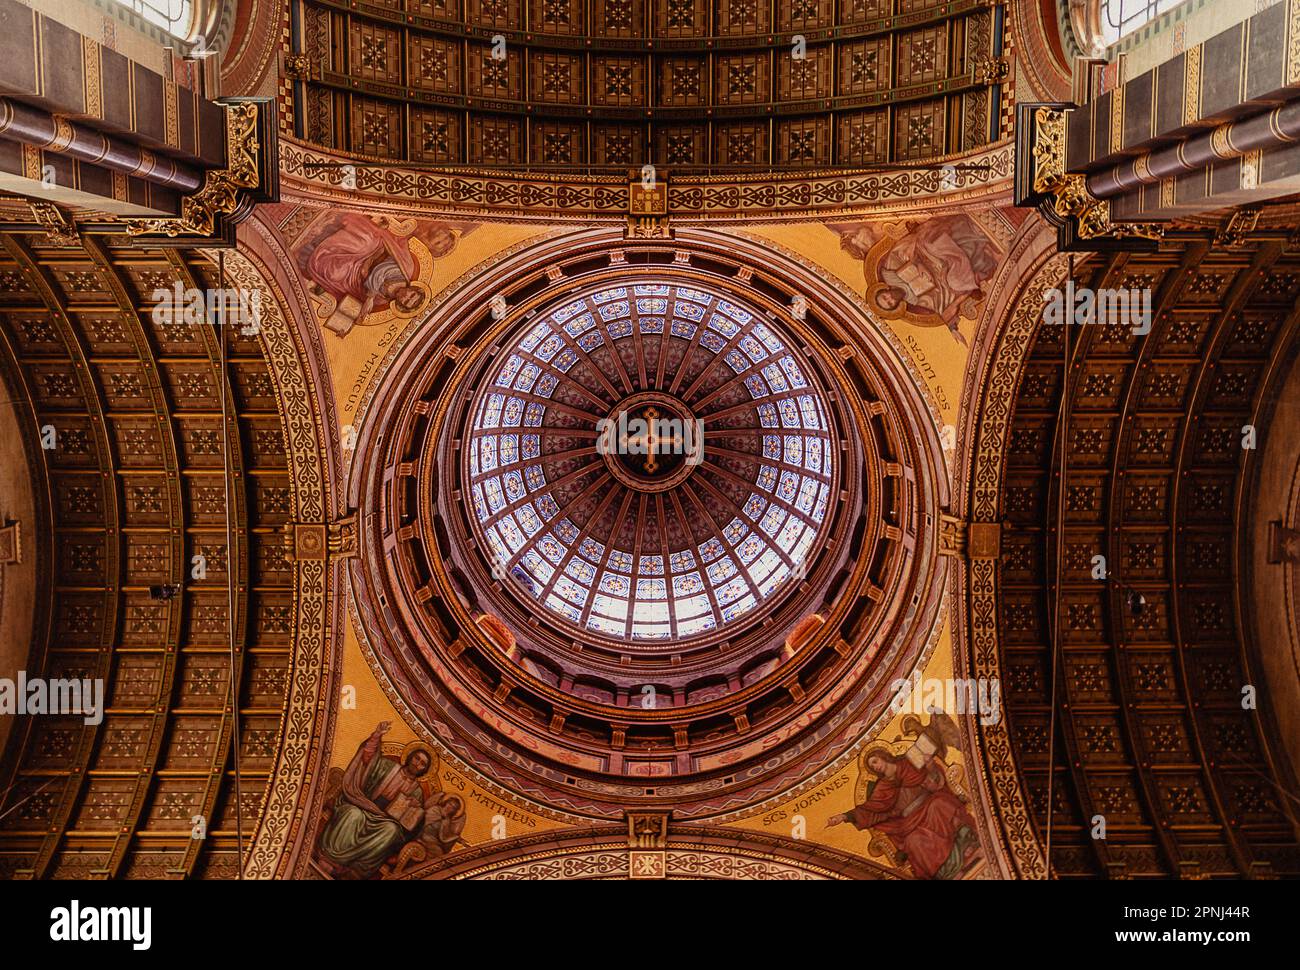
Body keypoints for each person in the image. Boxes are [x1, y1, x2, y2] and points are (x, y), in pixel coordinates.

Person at [826, 747, 979, 879]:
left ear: (883, 757)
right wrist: (843, 817)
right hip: (909, 822)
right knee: (914, 841)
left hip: (929, 802)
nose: (875, 766)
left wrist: (930, 765)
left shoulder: (908, 764)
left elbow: (933, 778)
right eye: (872, 766)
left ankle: (967, 843)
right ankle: (947, 872)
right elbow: (869, 809)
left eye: (875, 761)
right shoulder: (882, 787)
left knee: (940, 804)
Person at [317, 721, 434, 878]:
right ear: (410, 757)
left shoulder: (417, 792)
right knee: (353, 815)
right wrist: (376, 737)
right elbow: (367, 760)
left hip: (386, 820)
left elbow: (408, 825)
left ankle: (355, 868)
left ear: (424, 770)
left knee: (391, 831)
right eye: (417, 759)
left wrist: (412, 811)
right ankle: (331, 857)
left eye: (422, 764)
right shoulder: (386, 766)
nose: (417, 763)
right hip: (362, 804)